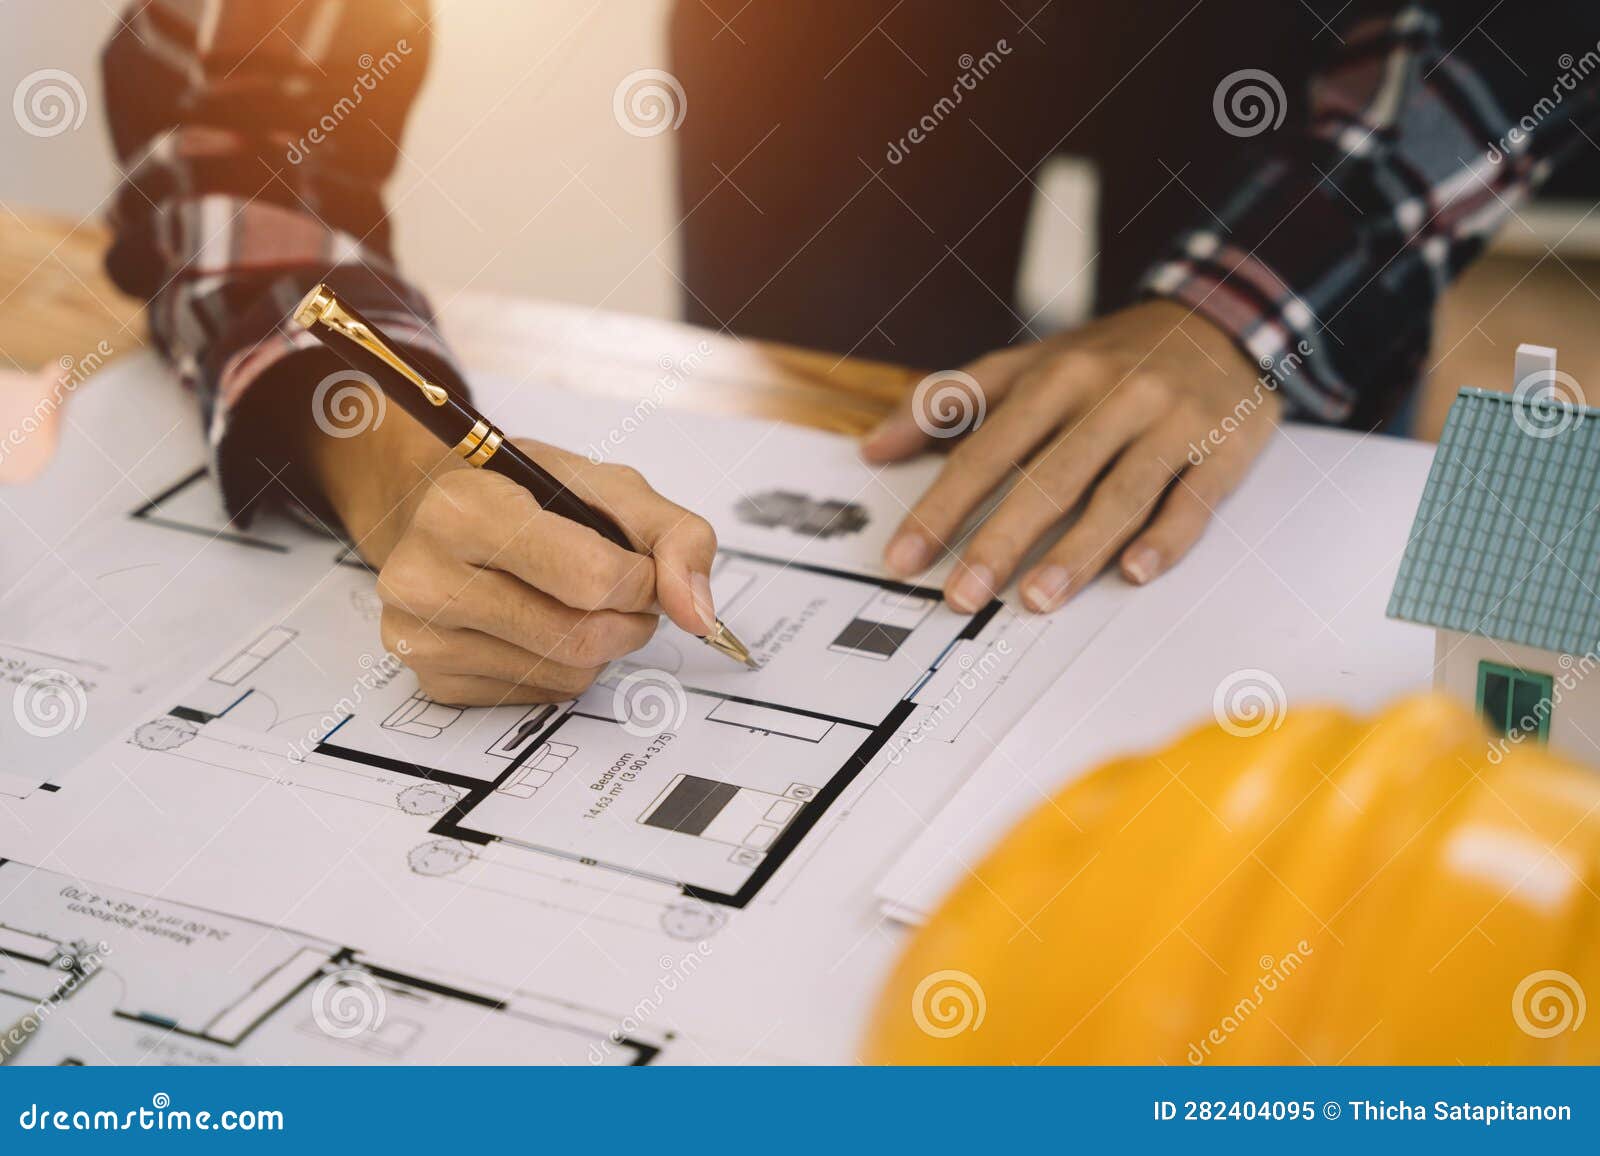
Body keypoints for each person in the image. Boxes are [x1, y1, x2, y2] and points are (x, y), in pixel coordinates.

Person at [102, 1, 1600, 705]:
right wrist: (392, 454)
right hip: (826, 44)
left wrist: (1245, 320)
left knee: (1229, 534)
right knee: (839, 460)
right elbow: (236, 118)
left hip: (1297, 43)